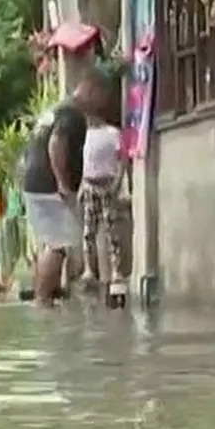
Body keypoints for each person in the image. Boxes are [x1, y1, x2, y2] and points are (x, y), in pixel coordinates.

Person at [19, 70, 108, 305]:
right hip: (48, 184)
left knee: (53, 242)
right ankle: (43, 300)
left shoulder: (56, 109)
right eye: (101, 98)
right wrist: (62, 183)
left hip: (34, 180)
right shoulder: (72, 113)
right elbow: (56, 143)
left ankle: (44, 297)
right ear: (91, 90)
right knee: (58, 244)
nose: (102, 106)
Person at [78, 98, 126, 288]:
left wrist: (119, 182)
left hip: (107, 184)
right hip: (90, 184)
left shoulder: (113, 133)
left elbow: (123, 159)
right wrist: (82, 185)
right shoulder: (86, 135)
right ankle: (89, 269)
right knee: (88, 231)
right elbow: (85, 163)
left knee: (112, 230)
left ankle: (116, 270)